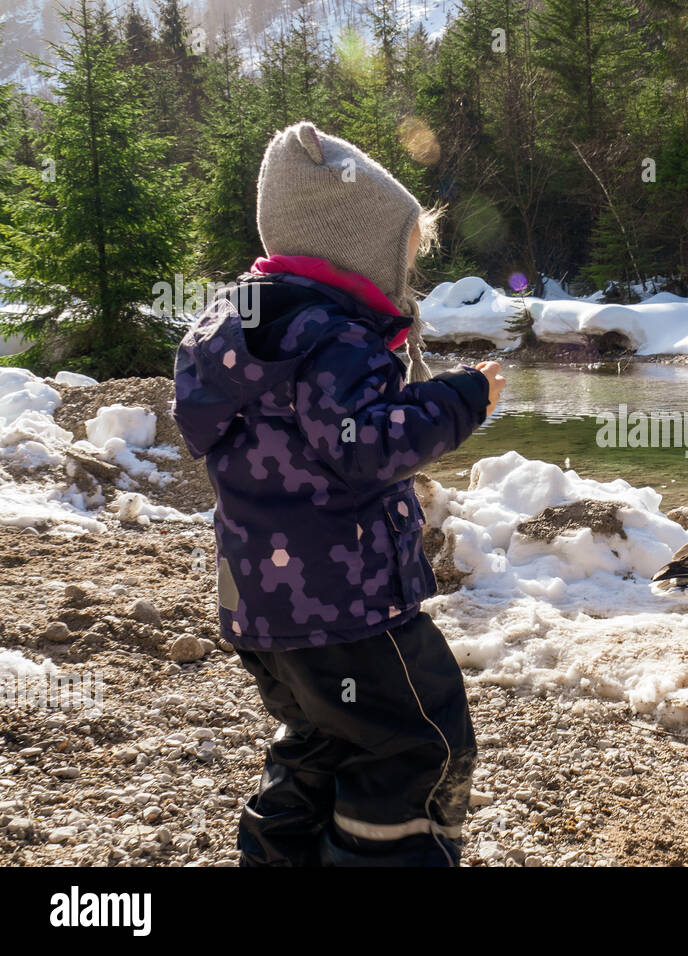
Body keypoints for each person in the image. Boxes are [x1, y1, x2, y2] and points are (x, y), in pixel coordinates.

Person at [172, 121, 505, 865]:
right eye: (404, 256)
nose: (407, 276)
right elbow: (368, 446)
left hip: (259, 604)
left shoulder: (240, 325)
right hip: (344, 604)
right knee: (419, 743)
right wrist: (459, 401)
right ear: (354, 247)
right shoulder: (335, 336)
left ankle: (278, 857)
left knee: (320, 738)